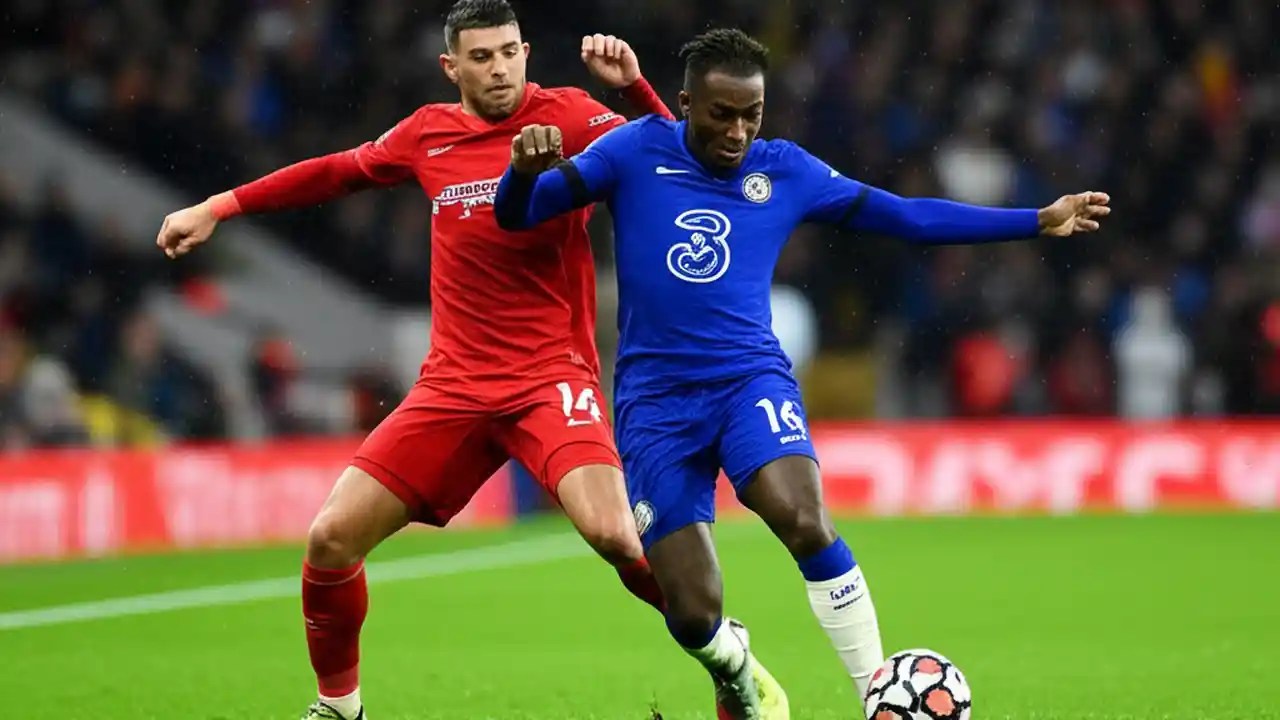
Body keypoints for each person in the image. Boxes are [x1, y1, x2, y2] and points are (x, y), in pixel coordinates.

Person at [493, 27, 1111, 715]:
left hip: (747, 380)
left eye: (751, 115)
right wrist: (522, 172)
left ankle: (876, 694)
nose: (737, 132)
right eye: (721, 115)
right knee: (694, 613)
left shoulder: (784, 170)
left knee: (804, 516)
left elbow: (905, 217)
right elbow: (517, 217)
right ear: (686, 103)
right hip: (655, 404)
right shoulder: (632, 151)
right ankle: (735, 668)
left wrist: (1036, 220)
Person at [156, 2, 678, 718]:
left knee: (617, 535)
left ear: (526, 51)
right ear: (451, 66)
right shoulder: (425, 134)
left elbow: (679, 164)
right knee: (331, 539)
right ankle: (339, 707)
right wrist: (220, 206)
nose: (498, 69)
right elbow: (336, 172)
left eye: (508, 53)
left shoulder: (575, 117)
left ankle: (721, 646)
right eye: (482, 57)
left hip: (550, 376)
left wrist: (637, 90)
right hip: (454, 386)